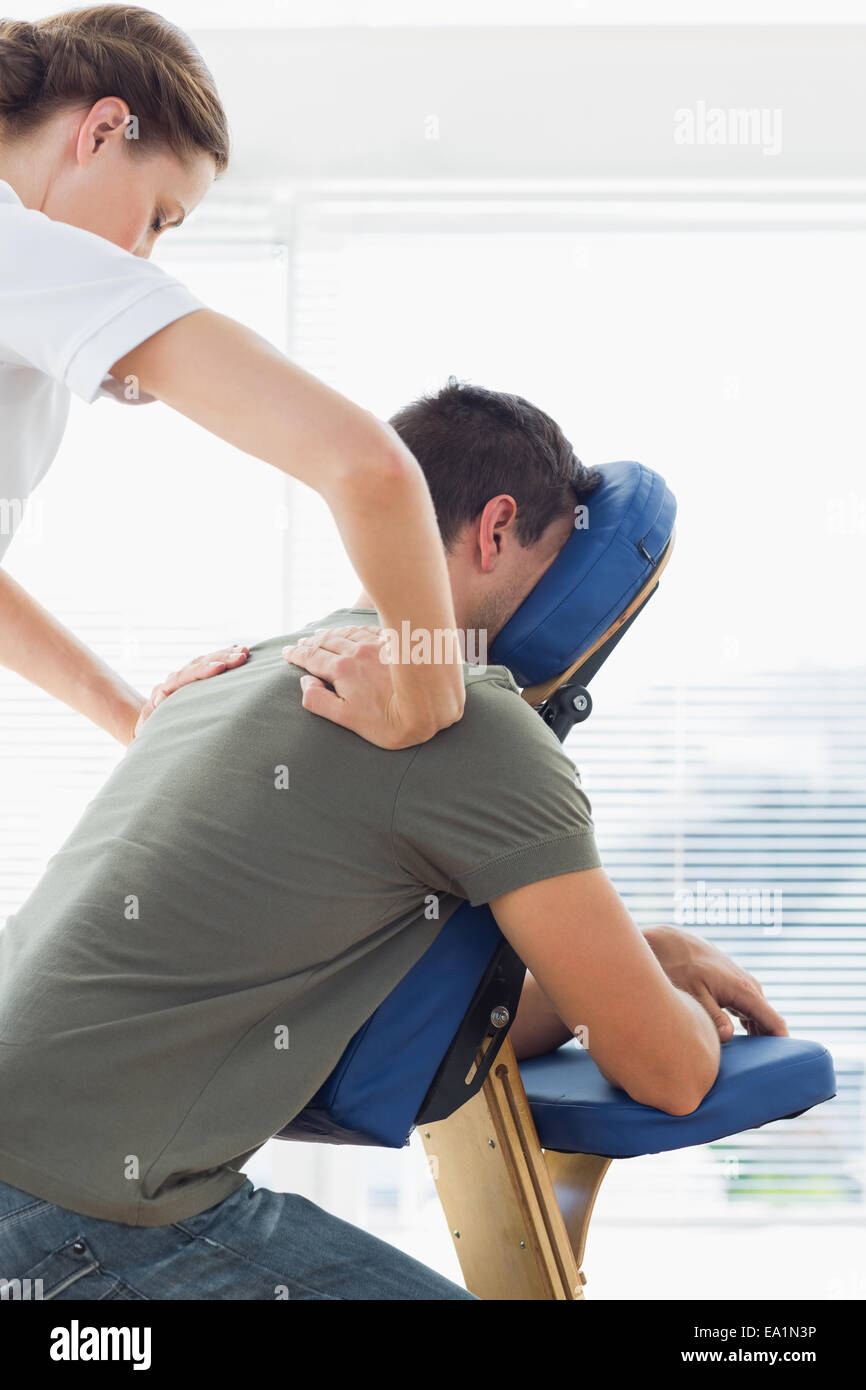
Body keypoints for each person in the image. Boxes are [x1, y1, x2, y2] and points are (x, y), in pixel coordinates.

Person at [0, 381, 787, 1301]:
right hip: (76, 1217)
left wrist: (650, 957)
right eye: (560, 550)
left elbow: (390, 1016)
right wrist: (686, 1019)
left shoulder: (235, 673)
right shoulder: (471, 724)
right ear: (496, 528)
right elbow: (672, 1074)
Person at [0, 6, 464, 749]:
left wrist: (133, 720)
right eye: (158, 216)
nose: (143, 255)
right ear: (102, 131)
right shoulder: (26, 251)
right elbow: (370, 467)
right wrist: (431, 695)